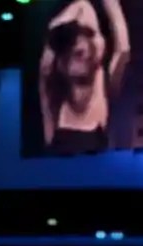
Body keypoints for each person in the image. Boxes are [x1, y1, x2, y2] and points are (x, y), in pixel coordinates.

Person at [39, 0, 131, 154]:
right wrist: (76, 10)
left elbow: (123, 50)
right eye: (73, 45)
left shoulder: (104, 85)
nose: (80, 45)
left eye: (89, 35)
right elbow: (47, 63)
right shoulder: (52, 94)